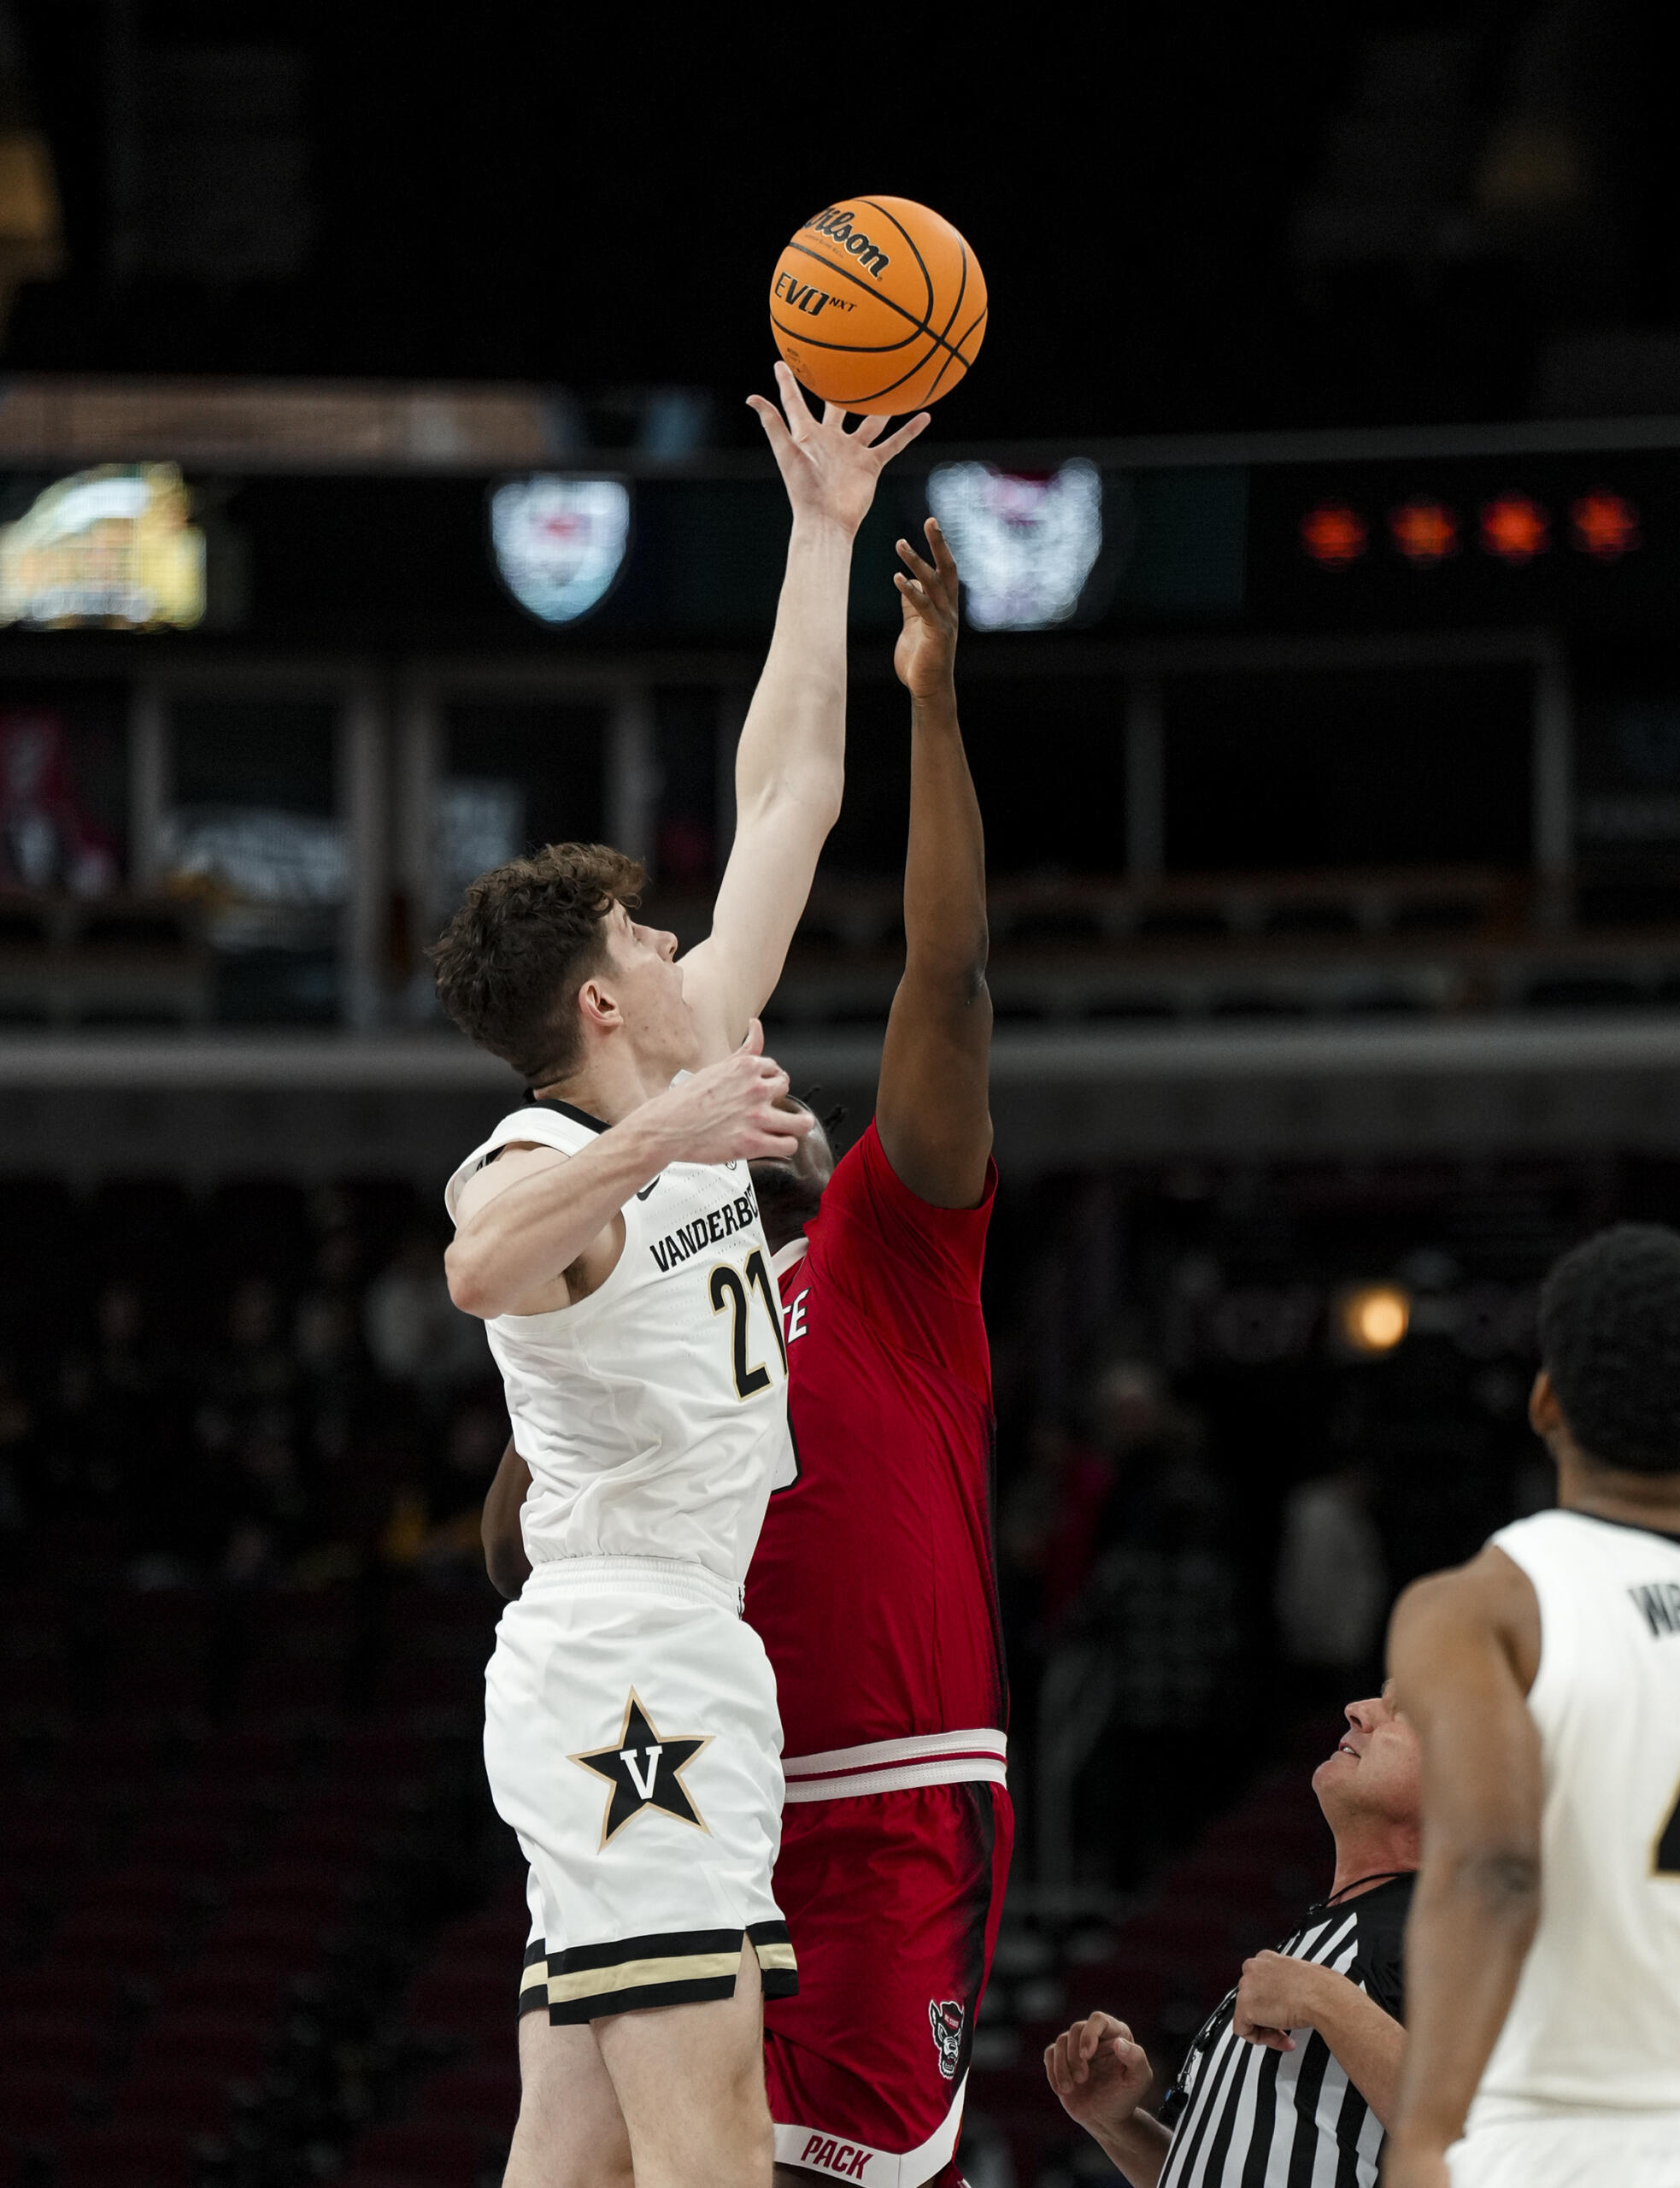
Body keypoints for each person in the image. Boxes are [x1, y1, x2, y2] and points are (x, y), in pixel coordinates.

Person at [437, 367, 929, 2188]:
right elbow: (480, 1269)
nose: (676, 940)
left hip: (671, 1641)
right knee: (707, 2138)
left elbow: (793, 785)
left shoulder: (694, 1045)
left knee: (573, 2152)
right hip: (627, 1654)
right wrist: (670, 1132)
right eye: (645, 935)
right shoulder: (538, 1159)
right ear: (598, 1003)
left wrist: (821, 532)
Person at [1384, 1223, 1680, 2188]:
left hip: (1559, 2134)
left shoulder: (1483, 1604)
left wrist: (1424, 2137)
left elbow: (1491, 1868)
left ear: (1545, 1400)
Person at [1045, 1686, 1421, 2188]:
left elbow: (1486, 2139)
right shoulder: (1331, 1931)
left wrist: (1323, 1998)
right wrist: (1115, 2126)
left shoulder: (1442, 1930)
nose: (1357, 1709)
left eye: (1403, 1710)